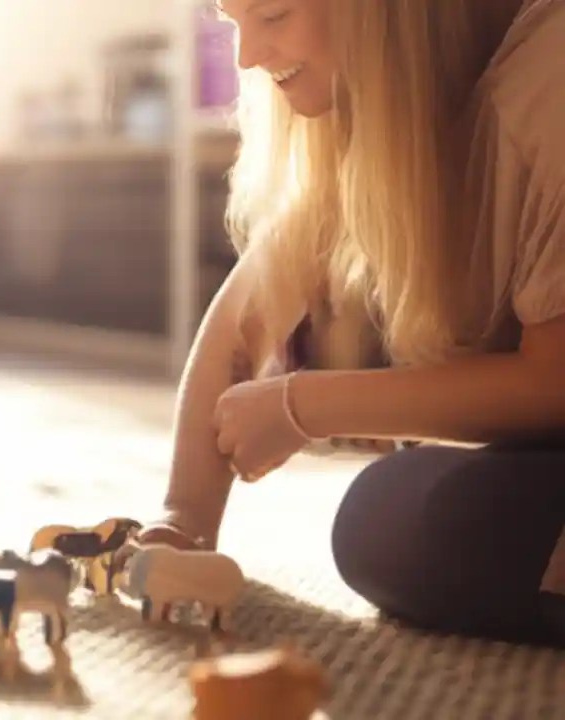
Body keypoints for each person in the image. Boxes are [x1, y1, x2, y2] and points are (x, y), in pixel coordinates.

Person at [136, 0, 565, 646]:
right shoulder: (376, 107)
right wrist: (182, 522)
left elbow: (553, 382)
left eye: (273, 15)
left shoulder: (548, 78)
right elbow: (243, 321)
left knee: (396, 522)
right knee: (396, 513)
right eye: (231, 23)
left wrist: (305, 404)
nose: (247, 57)